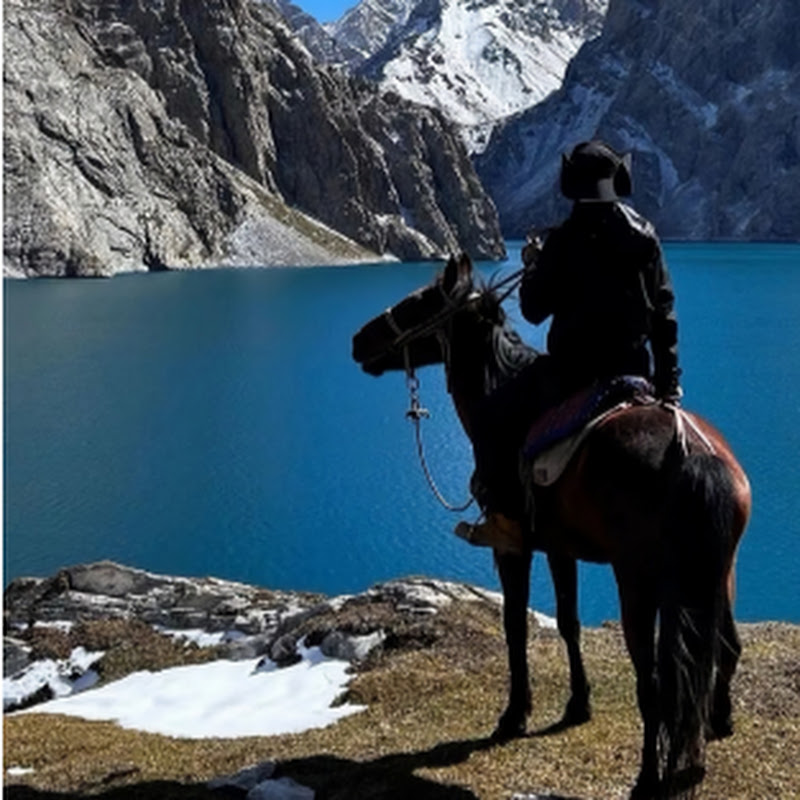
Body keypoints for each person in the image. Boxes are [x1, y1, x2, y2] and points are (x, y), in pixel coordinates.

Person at [456, 139, 681, 553]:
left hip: (571, 374)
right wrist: (668, 381)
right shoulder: (646, 236)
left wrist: (532, 267)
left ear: (572, 185)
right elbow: (663, 311)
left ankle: (506, 523)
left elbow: (533, 310)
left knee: (490, 419)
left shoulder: (564, 240)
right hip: (635, 371)